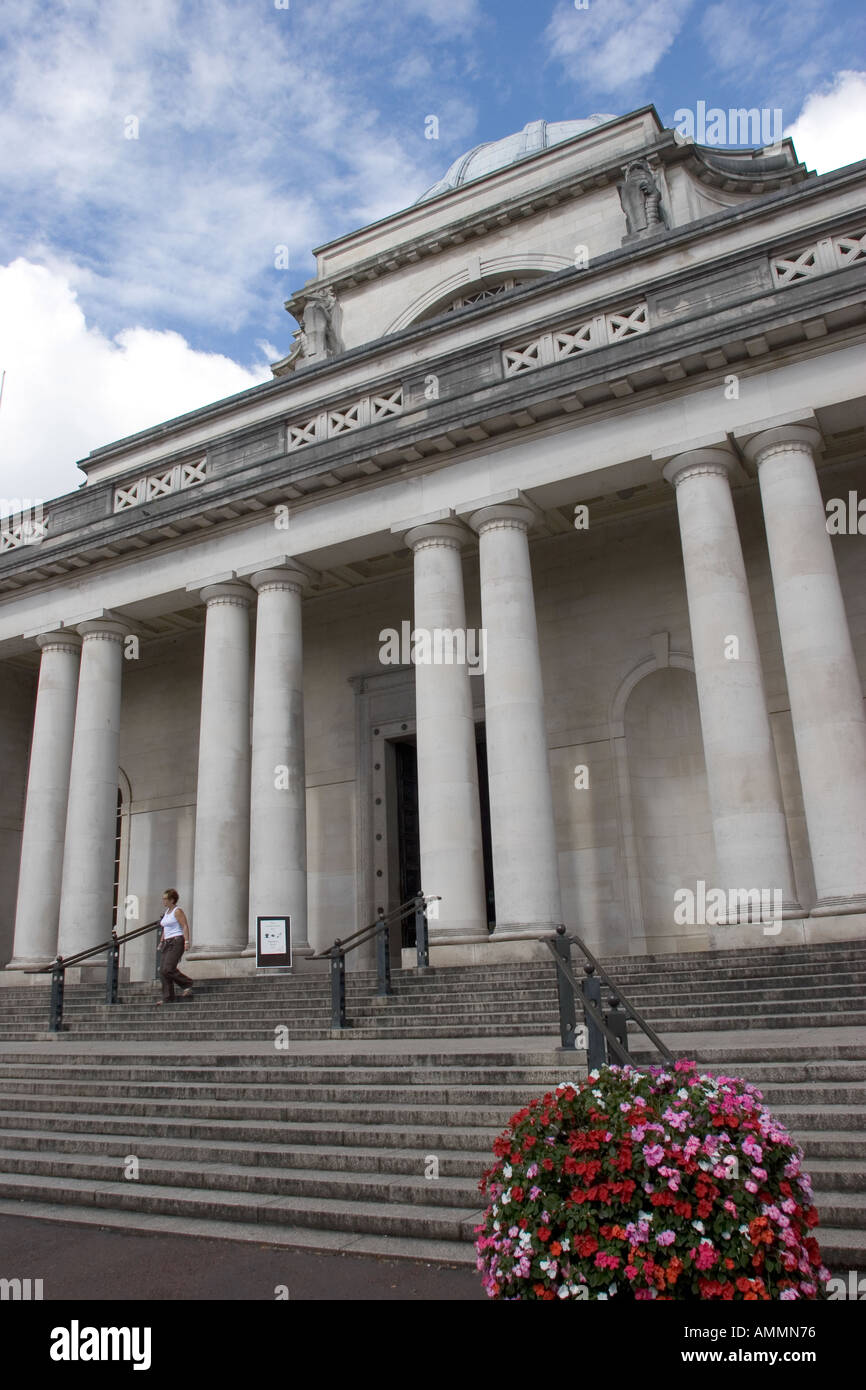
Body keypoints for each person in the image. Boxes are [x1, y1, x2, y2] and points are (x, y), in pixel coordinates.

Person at [157, 889, 194, 1005]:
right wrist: (161, 941)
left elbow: (184, 926)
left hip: (177, 941)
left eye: (165, 899)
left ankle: (187, 983)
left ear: (172, 900)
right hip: (167, 942)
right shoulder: (167, 911)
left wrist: (187, 941)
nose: (163, 901)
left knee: (168, 968)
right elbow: (165, 928)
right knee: (162, 970)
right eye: (163, 898)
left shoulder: (177, 911)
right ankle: (167, 997)